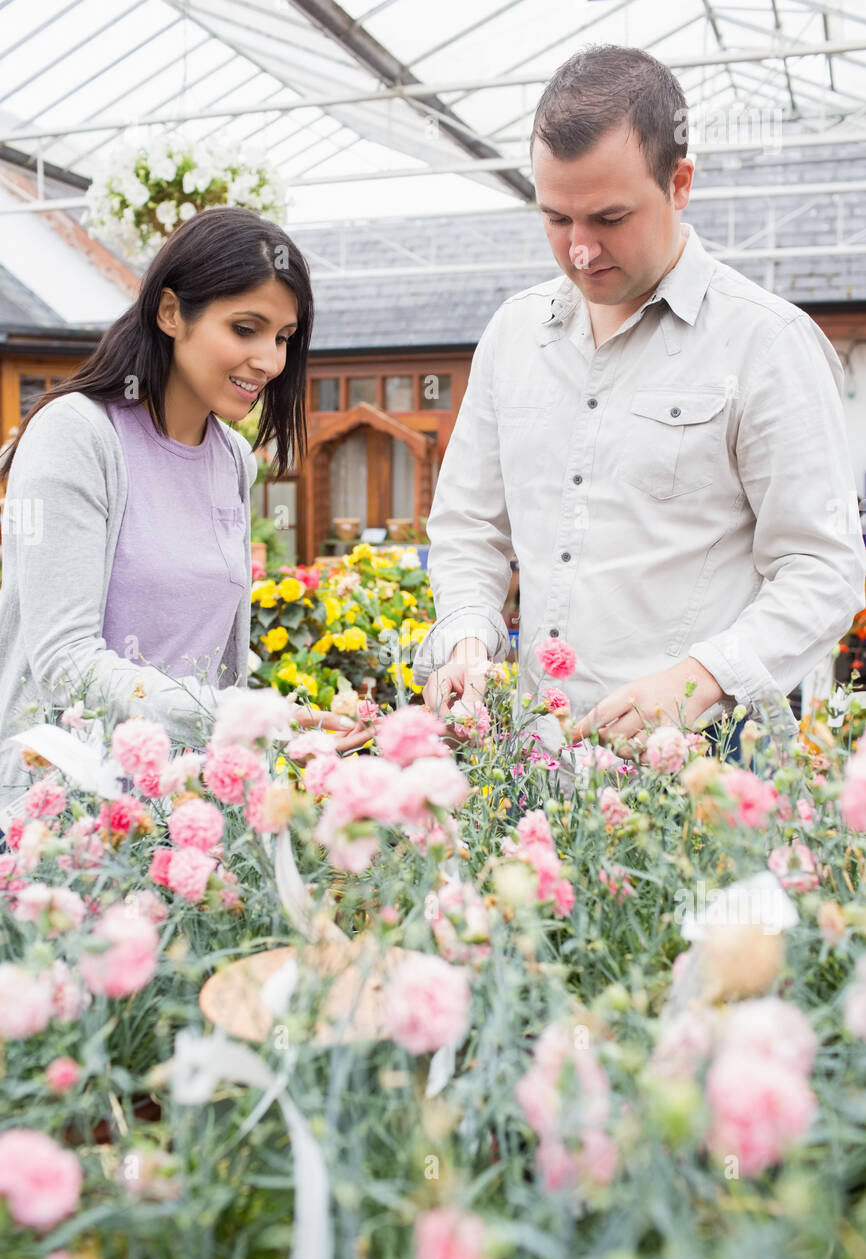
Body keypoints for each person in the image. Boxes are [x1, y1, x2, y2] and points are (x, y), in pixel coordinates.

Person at [414, 44, 866, 773]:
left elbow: (822, 567)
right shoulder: (513, 336)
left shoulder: (765, 342)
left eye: (609, 217)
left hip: (705, 761)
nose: (582, 251)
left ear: (679, 182)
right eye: (556, 218)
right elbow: (469, 528)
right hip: (536, 757)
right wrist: (467, 632)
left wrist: (698, 681)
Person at [0, 206, 369, 829]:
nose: (269, 361)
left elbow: (219, 664)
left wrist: (271, 737)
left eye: (283, 337)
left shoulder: (230, 460)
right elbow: (64, 661)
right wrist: (236, 716)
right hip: (69, 814)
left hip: (188, 814)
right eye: (246, 328)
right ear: (171, 312)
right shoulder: (78, 436)